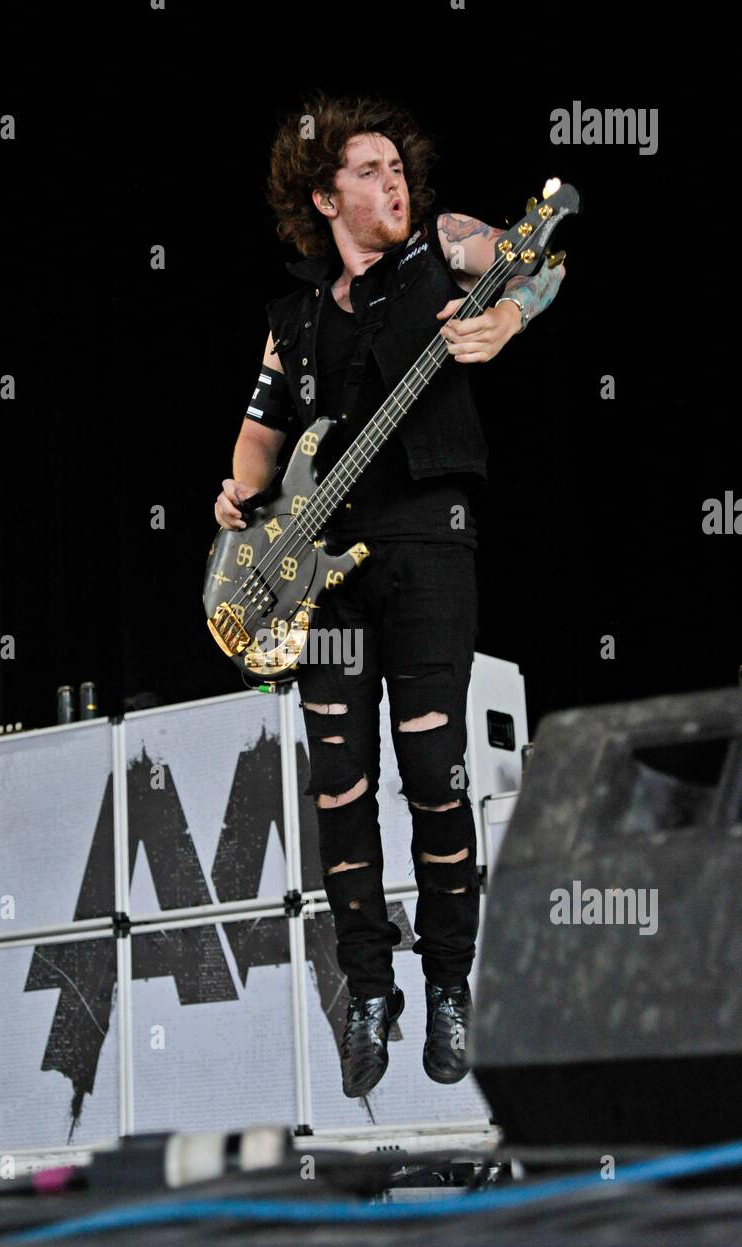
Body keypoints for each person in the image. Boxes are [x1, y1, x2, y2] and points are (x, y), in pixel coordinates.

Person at [215, 93, 565, 1098]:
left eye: (397, 168)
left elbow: (537, 263)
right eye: (366, 171)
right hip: (321, 572)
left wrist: (506, 315)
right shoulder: (289, 323)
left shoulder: (441, 252)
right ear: (323, 196)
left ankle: (448, 979)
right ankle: (367, 987)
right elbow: (260, 436)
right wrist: (239, 489)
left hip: (426, 544)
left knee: (432, 769)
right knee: (339, 787)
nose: (392, 184)